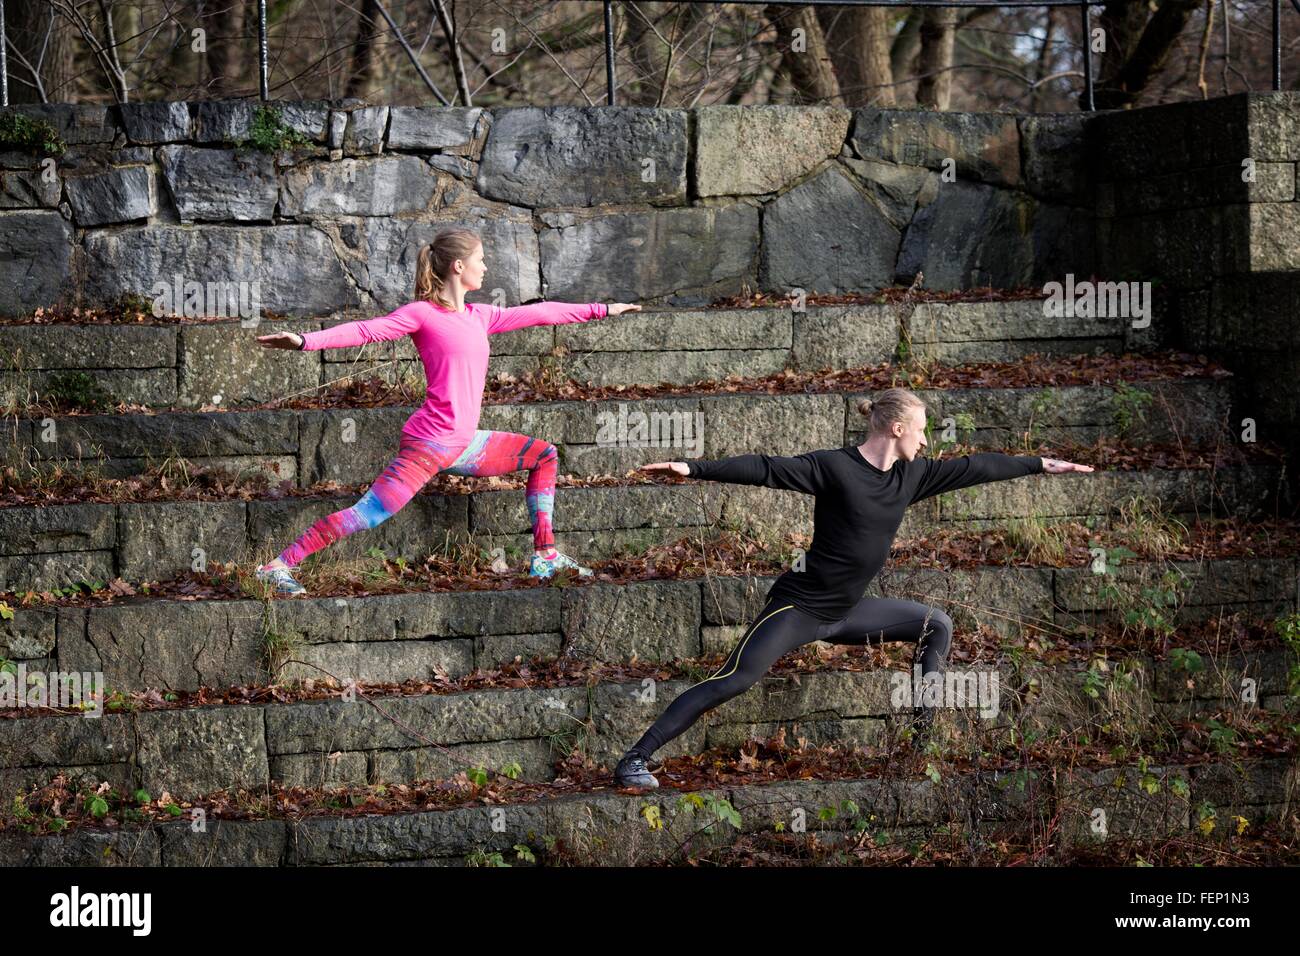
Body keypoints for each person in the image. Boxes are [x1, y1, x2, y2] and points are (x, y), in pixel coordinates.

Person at [613, 387, 1094, 787]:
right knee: (734, 679)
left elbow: (977, 467)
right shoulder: (835, 467)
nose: (926, 441)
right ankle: (634, 758)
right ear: (897, 429)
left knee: (936, 625)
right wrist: (692, 468)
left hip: (846, 611)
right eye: (922, 430)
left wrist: (1041, 463)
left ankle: (917, 749)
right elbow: (766, 468)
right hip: (799, 608)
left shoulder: (912, 476)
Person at [253, 227, 641, 595]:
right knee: (368, 514)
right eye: (481, 259)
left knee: (544, 455)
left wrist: (602, 308)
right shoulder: (422, 314)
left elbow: (543, 313)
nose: (485, 267)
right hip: (430, 443)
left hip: (465, 444)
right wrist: (305, 341)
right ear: (458, 266)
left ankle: (546, 556)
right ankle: (276, 566)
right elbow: (366, 330)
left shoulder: (481, 316)